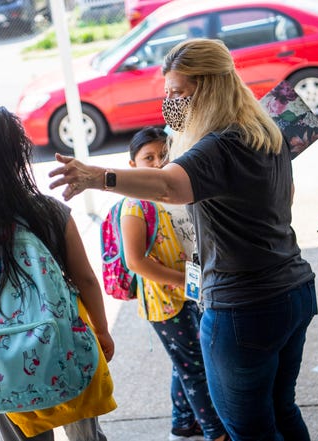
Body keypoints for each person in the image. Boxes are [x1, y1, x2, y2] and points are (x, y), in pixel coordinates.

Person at [50, 38, 317, 441]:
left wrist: (96, 177)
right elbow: (287, 197)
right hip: (293, 288)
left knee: (248, 428)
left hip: (243, 306)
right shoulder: (265, 129)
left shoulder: (220, 145)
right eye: (167, 91)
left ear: (209, 87)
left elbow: (167, 186)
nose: (169, 102)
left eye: (178, 92)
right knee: (282, 408)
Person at [0, 106, 116, 440]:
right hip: (62, 345)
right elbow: (86, 279)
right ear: (18, 153)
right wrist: (101, 330)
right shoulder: (47, 213)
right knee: (85, 434)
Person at [120, 127, 226, 441]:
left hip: (191, 292)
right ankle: (214, 431)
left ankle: (182, 424)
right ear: (133, 166)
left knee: (186, 359)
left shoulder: (179, 193)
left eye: (163, 154)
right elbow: (136, 261)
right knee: (195, 366)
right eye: (148, 158)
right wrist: (183, 281)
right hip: (165, 301)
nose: (157, 162)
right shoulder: (135, 205)